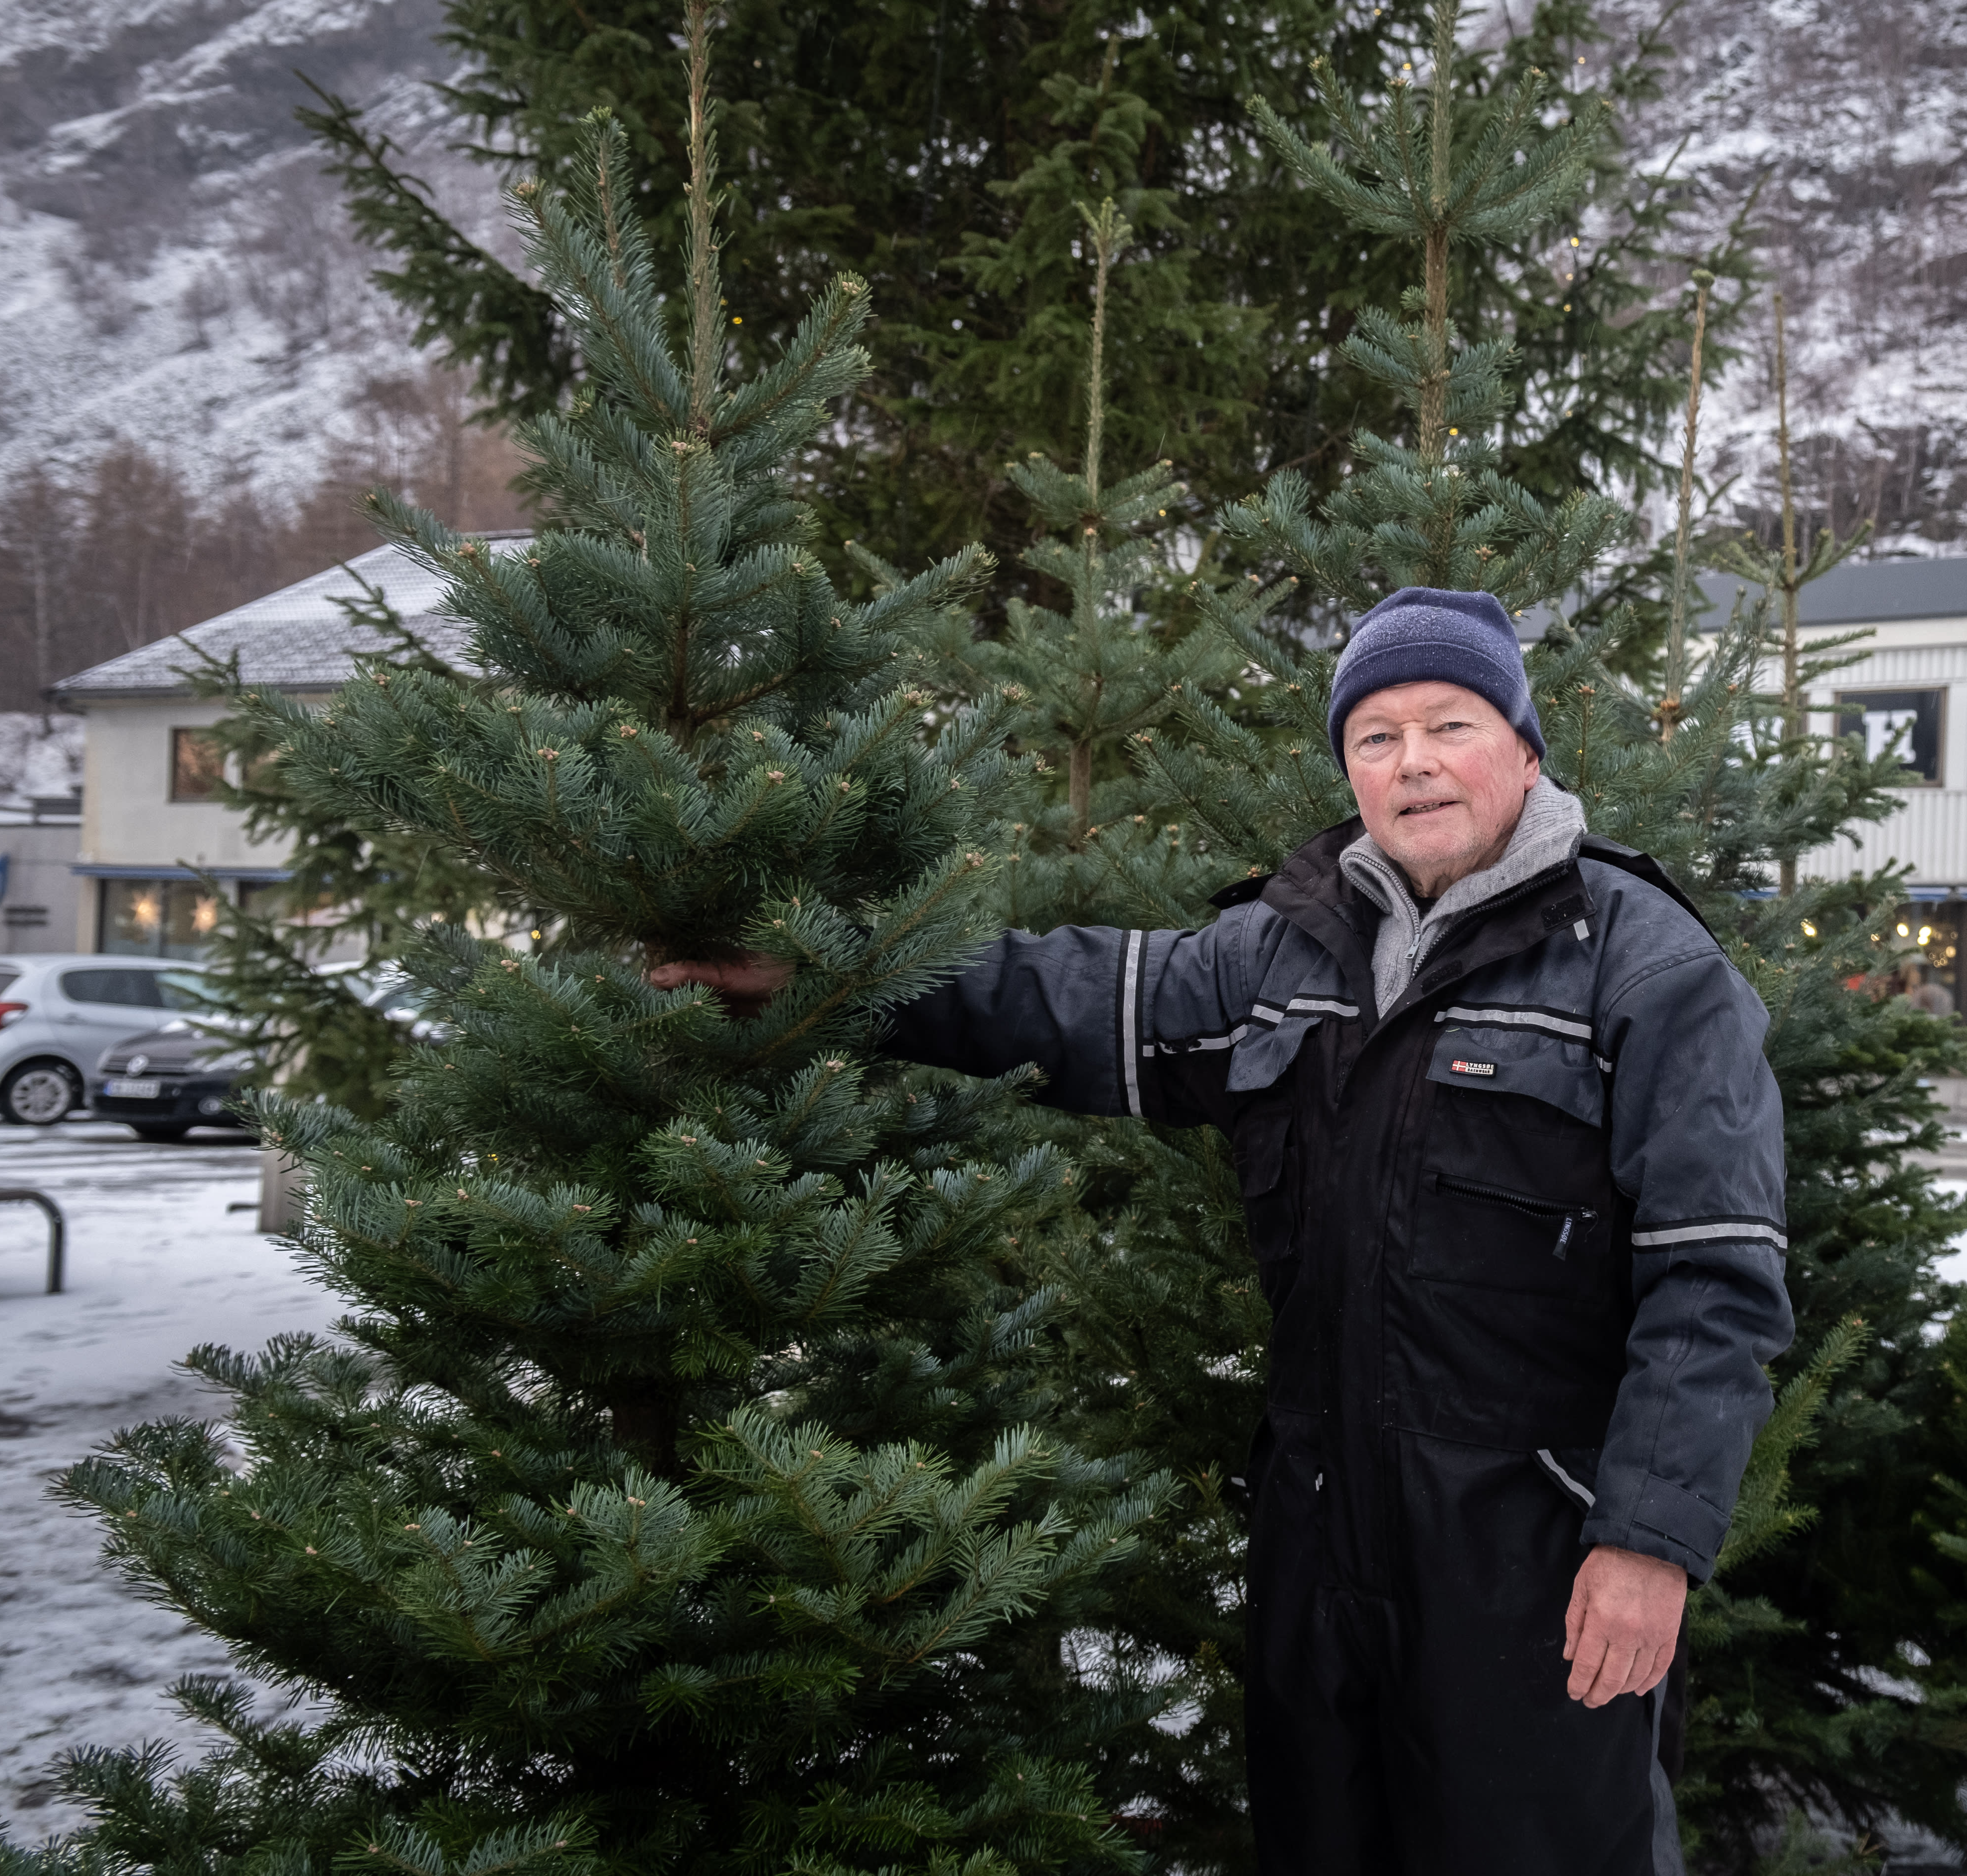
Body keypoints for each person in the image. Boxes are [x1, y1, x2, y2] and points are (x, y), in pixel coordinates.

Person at [655, 586, 1793, 1875]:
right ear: (1349, 770)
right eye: (1375, 737)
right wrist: (826, 974)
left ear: (1526, 750)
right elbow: (1061, 998)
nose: (1413, 760)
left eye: (1450, 724)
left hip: (1529, 1546)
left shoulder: (1646, 970)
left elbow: (1715, 1282)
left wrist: (1646, 1542)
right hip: (1320, 1536)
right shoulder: (1283, 951)